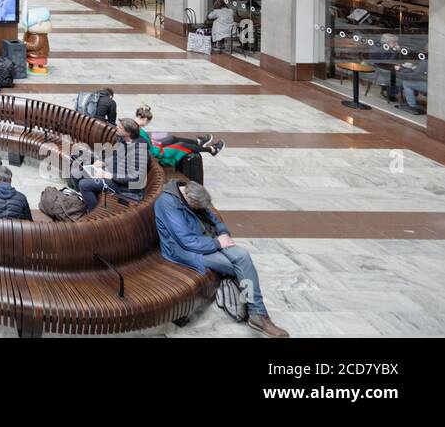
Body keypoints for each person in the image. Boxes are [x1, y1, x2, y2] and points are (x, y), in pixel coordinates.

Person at [155, 179, 289, 337]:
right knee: (239, 267)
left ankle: (257, 314)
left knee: (243, 256)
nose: (201, 209)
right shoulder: (167, 202)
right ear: (189, 200)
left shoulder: (192, 192)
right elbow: (186, 241)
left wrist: (223, 233)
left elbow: (215, 219)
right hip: (183, 251)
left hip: (208, 241)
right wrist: (218, 242)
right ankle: (258, 314)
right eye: (197, 208)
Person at [75, 118, 146, 213]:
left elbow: (135, 178)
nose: (117, 128)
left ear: (128, 132)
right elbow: (116, 157)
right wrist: (103, 162)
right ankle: (88, 202)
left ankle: (93, 213)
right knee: (79, 172)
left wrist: (109, 175)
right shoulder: (124, 141)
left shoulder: (138, 151)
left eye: (120, 128)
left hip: (124, 187)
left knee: (84, 185)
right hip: (114, 173)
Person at [134, 105, 224, 161]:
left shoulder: (133, 125)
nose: (146, 124)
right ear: (145, 119)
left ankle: (198, 142)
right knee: (182, 145)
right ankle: (212, 150)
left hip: (151, 147)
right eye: (148, 122)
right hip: (154, 153)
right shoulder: (136, 129)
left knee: (173, 138)